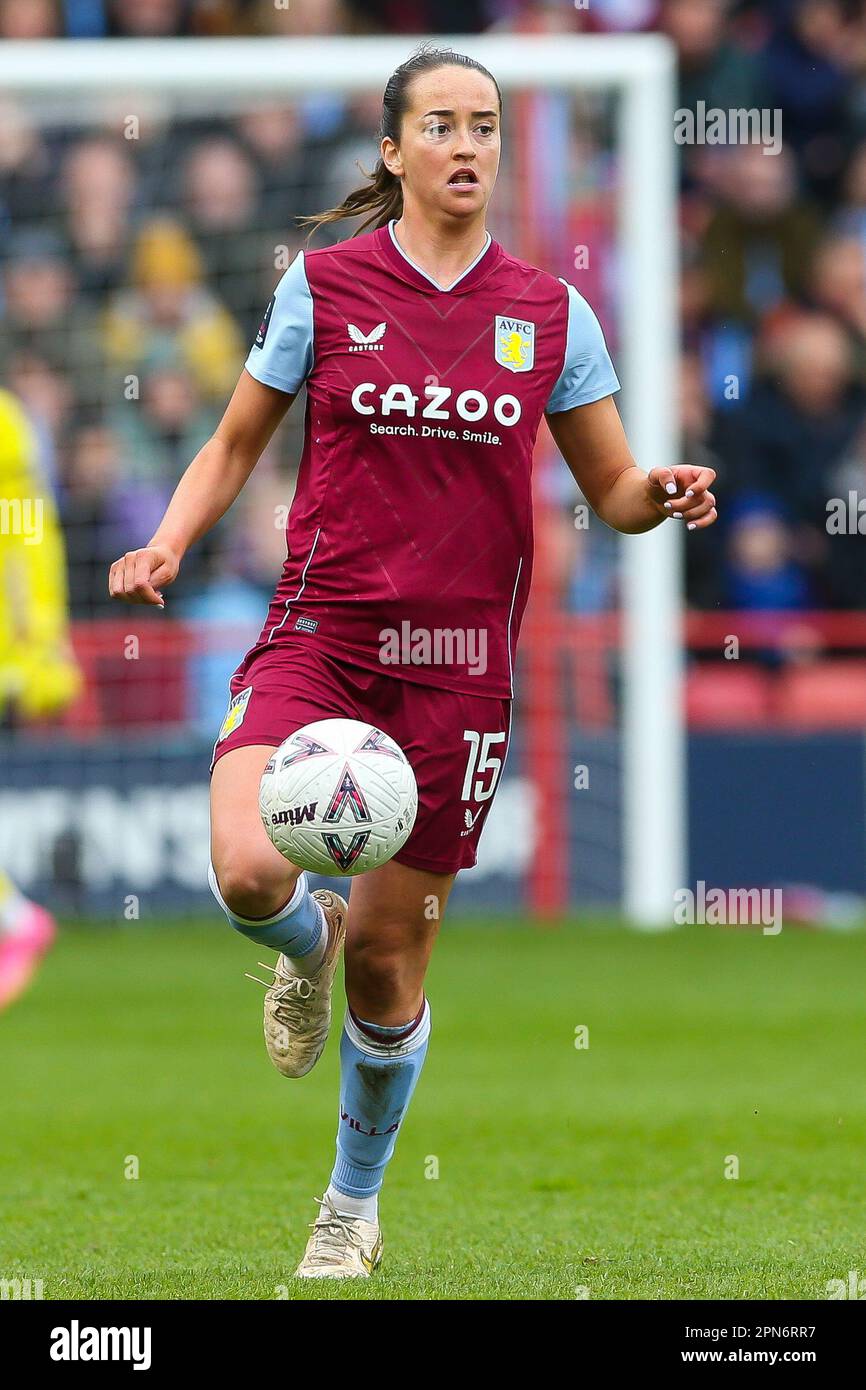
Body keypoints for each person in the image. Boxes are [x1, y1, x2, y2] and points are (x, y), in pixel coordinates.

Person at [108, 43, 718, 1279]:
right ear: (392, 150)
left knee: (392, 967)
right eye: (438, 125)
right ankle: (297, 945)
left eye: (483, 126)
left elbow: (606, 485)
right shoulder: (323, 288)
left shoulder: (550, 313)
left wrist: (655, 494)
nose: (465, 146)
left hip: (455, 674)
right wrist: (166, 540)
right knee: (239, 870)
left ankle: (348, 1205)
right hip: (320, 638)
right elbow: (232, 444)